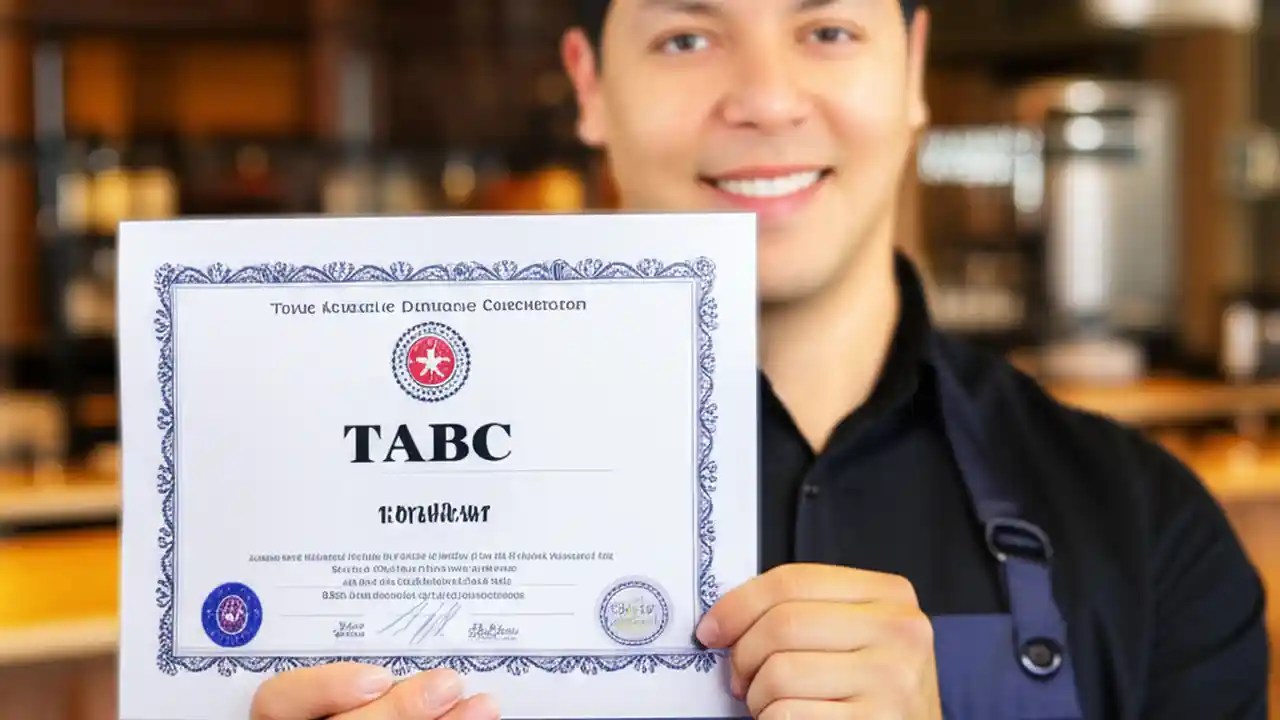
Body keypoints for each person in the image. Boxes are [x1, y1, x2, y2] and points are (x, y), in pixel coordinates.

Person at [249, 0, 1270, 718]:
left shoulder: (1146, 526)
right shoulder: (360, 512)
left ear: (910, 67)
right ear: (588, 85)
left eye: (825, 30)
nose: (766, 100)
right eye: (686, 36)